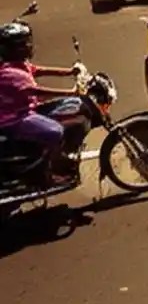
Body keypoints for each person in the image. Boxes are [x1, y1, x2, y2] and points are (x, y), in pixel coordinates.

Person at [0, 22, 86, 186]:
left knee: (70, 105)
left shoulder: (15, 64)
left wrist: (69, 72)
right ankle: (48, 173)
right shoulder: (10, 73)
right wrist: (72, 92)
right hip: (16, 119)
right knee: (56, 132)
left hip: (26, 109)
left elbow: (37, 70)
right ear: (14, 48)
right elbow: (38, 92)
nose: (29, 46)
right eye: (24, 43)